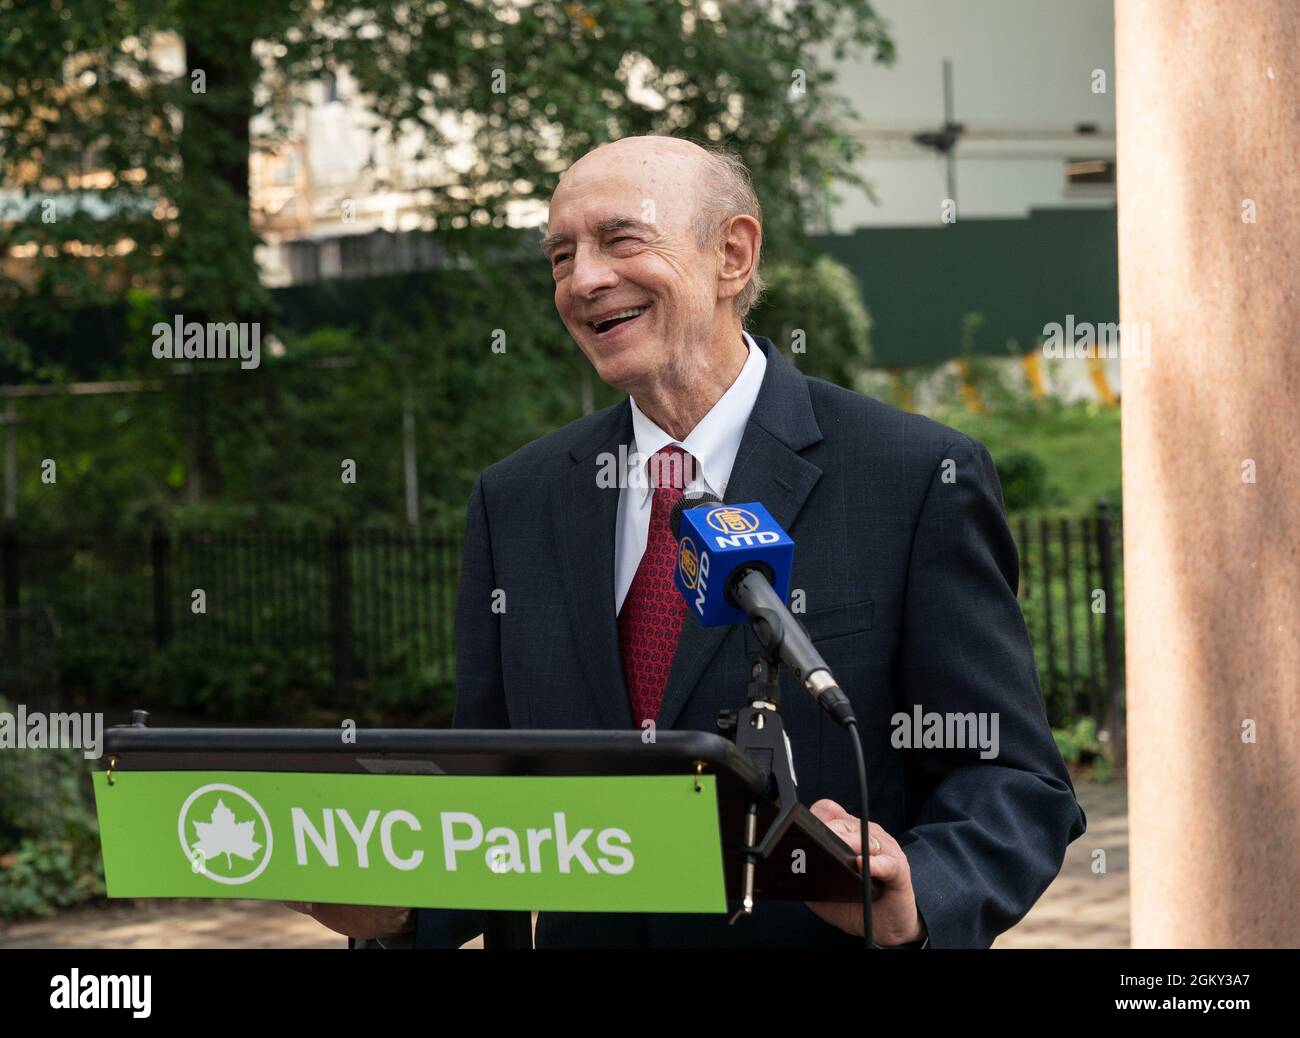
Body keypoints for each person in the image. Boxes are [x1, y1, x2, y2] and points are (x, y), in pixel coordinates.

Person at [289, 135, 1085, 948]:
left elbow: (1011, 779)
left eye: (619, 239)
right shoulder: (516, 499)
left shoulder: (914, 476)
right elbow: (498, 798)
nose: (584, 279)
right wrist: (403, 913)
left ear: (732, 254)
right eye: (560, 256)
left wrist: (919, 895)